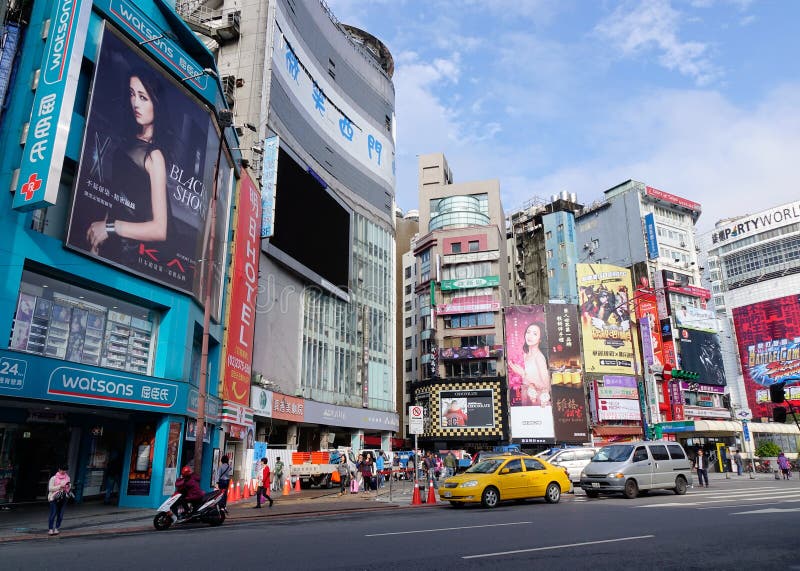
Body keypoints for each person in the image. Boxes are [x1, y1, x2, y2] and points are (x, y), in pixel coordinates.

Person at [85, 69, 169, 261]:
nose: (135, 103)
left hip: (130, 252)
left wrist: (108, 227)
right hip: (109, 243)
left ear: (156, 103)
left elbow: (159, 229)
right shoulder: (130, 140)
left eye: (143, 97)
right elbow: (117, 197)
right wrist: (97, 240)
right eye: (132, 94)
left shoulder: (154, 156)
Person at [509, 321, 551, 406]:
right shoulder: (525, 354)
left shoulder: (539, 357)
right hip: (526, 395)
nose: (530, 336)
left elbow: (546, 386)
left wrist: (523, 374)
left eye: (535, 334)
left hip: (539, 400)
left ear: (540, 339)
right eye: (528, 332)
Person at [47, 465, 71, 536]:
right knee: (53, 513)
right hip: (54, 498)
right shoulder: (53, 478)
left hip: (63, 498)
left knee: (60, 515)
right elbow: (50, 489)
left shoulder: (68, 478)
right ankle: (50, 529)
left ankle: (57, 528)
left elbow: (68, 488)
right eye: (63, 470)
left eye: (65, 470)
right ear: (59, 469)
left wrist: (68, 487)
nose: (64, 472)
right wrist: (60, 486)